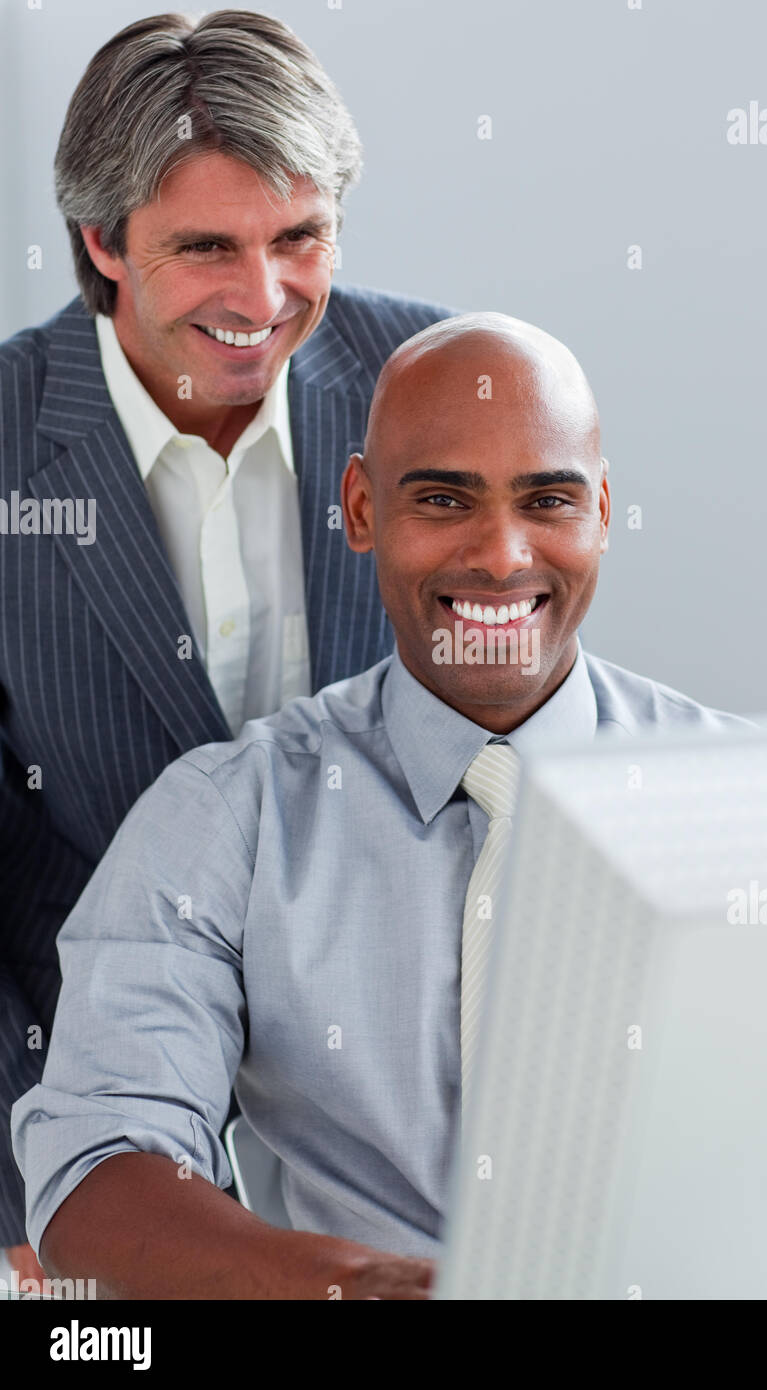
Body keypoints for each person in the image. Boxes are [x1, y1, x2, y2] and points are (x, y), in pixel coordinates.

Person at [12, 311, 750, 1299]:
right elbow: (96, 1168)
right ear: (360, 510)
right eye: (443, 498)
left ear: (603, 511)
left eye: (548, 500)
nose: (499, 555)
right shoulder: (231, 815)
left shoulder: (749, 805)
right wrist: (345, 1287)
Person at [0, 8, 453, 1274]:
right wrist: (29, 1198)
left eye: (299, 238)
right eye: (205, 247)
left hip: (394, 1146)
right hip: (82, 1137)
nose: (262, 300)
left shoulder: (430, 389)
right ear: (102, 242)